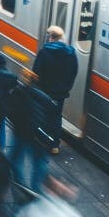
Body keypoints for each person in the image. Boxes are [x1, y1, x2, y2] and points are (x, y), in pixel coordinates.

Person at [6, 69, 58, 192]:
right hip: (38, 136)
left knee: (14, 159)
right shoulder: (46, 98)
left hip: (20, 133)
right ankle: (36, 190)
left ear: (24, 79)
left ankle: (20, 183)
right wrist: (52, 140)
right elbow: (53, 119)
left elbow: (10, 112)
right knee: (38, 163)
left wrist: (17, 123)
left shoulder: (18, 92)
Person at [32, 25, 78, 154]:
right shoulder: (71, 53)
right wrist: (66, 87)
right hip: (60, 93)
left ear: (51, 37)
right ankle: (54, 145)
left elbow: (36, 72)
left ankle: (41, 138)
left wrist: (37, 86)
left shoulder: (44, 52)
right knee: (57, 116)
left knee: (43, 114)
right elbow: (73, 72)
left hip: (44, 90)